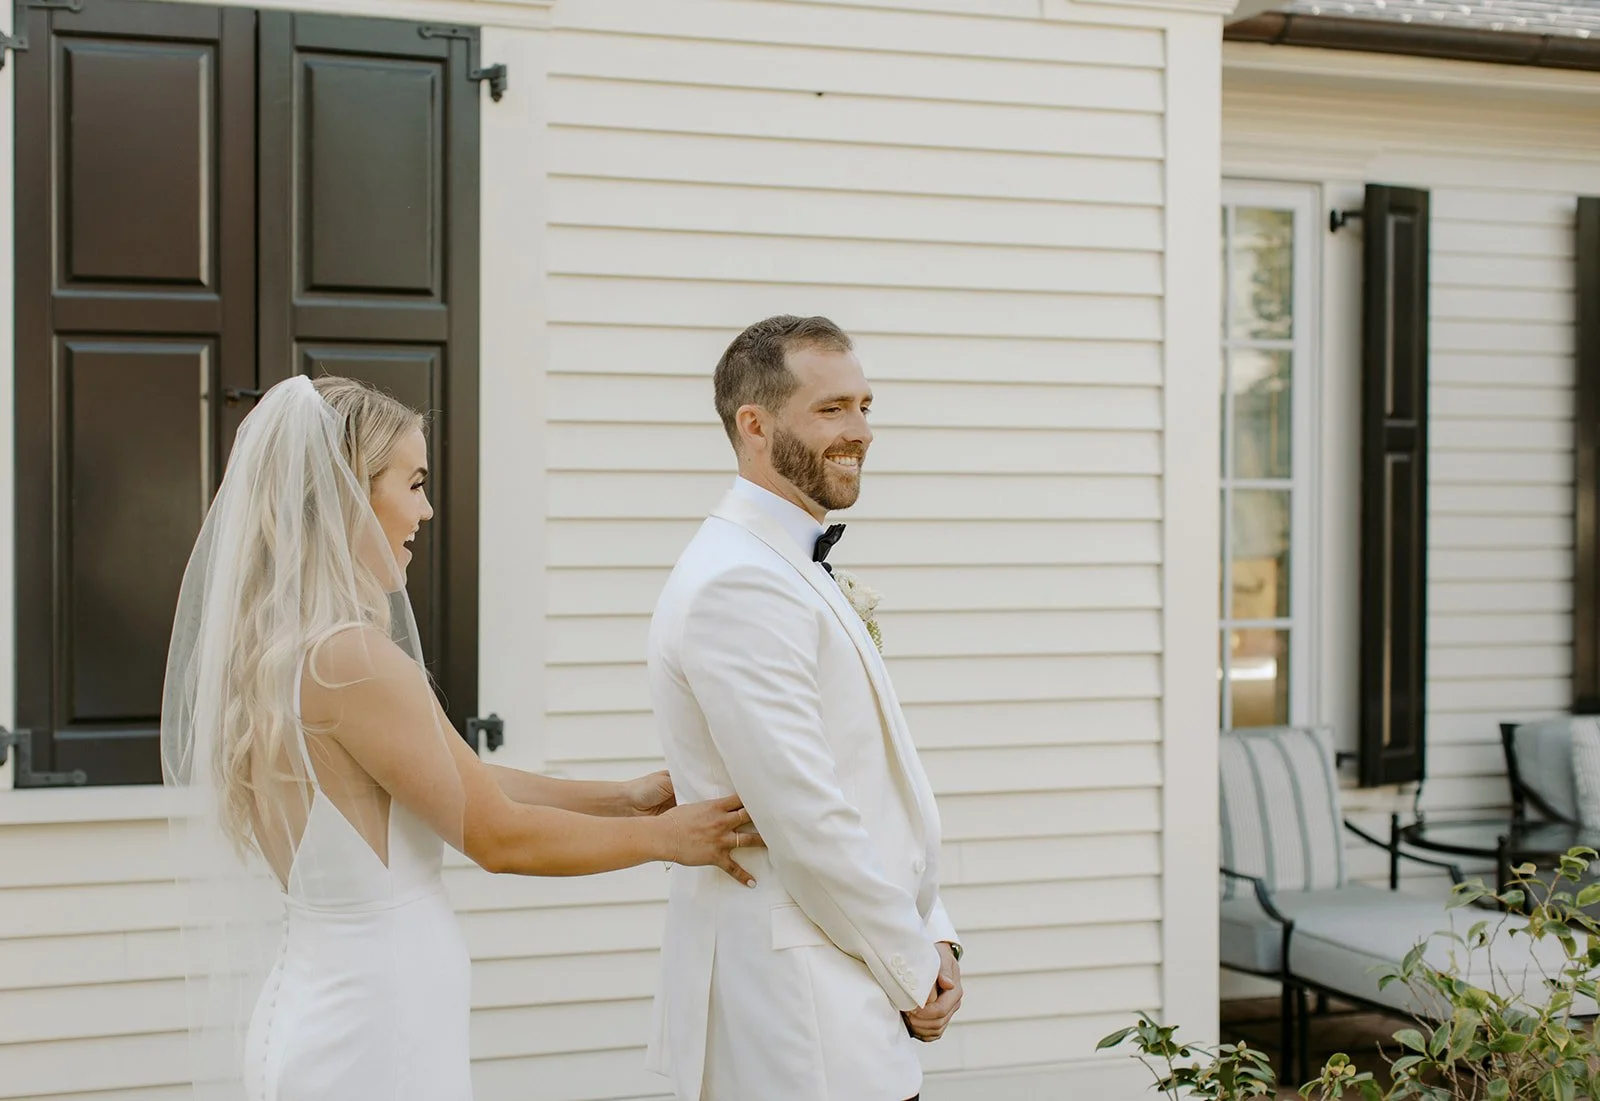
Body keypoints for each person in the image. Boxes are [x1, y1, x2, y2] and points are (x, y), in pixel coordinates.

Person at [161, 375, 760, 1101]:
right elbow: (495, 835)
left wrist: (621, 798)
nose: (426, 510)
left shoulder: (291, 653)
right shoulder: (350, 659)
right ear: (349, 494)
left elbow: (454, 775)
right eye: (413, 484)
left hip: (339, 1007)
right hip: (369, 1033)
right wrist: (667, 838)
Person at [645, 316, 963, 1101]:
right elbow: (806, 814)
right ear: (754, 425)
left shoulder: (785, 562)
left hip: (850, 992)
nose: (861, 431)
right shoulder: (736, 582)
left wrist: (937, 930)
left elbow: (867, 781)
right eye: (832, 409)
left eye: (864, 405)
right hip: (800, 1021)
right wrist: (915, 966)